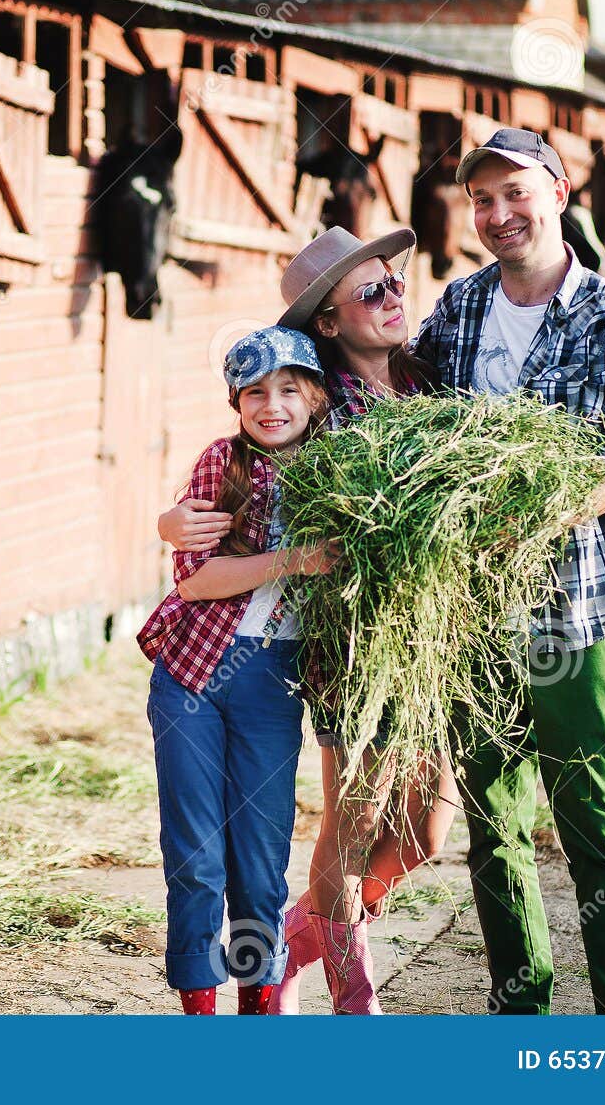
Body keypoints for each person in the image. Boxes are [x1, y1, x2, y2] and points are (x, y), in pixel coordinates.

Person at [158, 228, 460, 1015]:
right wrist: (175, 521)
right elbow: (240, 483)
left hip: (422, 640)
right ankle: (347, 991)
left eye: (394, 279)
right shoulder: (327, 415)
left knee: (428, 828)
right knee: (346, 829)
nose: (394, 295)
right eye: (371, 291)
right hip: (337, 648)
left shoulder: (427, 377)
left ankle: (299, 934)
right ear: (328, 322)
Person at [415, 128, 605, 1014]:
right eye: (481, 201)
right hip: (471, 612)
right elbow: (402, 414)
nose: (497, 215)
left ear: (558, 192)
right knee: (493, 828)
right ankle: (518, 1016)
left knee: (599, 836)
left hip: (579, 610)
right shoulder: (456, 310)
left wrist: (515, 519)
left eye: (515, 194)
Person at [135, 326, 338, 1015]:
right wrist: (295, 559)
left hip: (274, 683)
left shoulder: (342, 471)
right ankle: (199, 1010)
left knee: (259, 860)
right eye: (255, 392)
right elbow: (196, 581)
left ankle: (259, 1008)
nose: (272, 405)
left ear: (314, 395)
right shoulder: (221, 463)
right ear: (236, 402)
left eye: (288, 389)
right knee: (195, 855)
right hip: (193, 674)